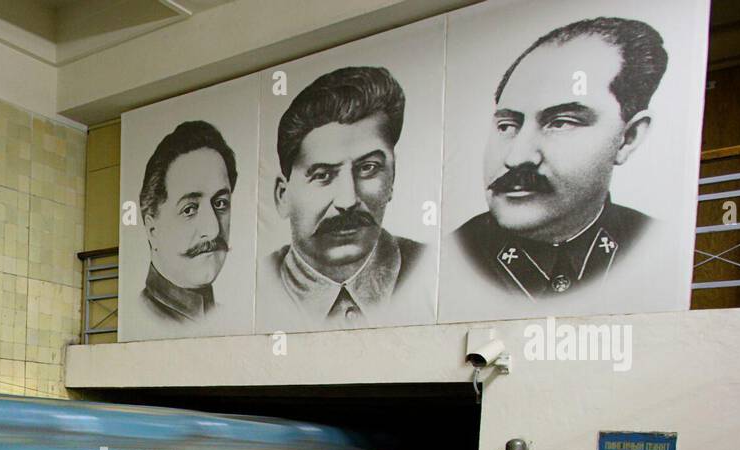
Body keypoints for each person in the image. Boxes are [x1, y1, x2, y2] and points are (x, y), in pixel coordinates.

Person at [451, 17, 667, 300]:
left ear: (628, 138)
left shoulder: (659, 250)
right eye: (507, 126)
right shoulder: (449, 259)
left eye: (561, 122)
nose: (517, 158)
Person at [262, 66, 426, 328]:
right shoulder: (257, 287)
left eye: (368, 168)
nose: (348, 201)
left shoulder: (431, 270)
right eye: (323, 175)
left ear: (392, 178)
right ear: (283, 196)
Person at [138, 121, 238, 324]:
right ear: (152, 230)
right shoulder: (142, 315)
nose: (213, 229)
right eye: (189, 209)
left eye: (220, 203)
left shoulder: (224, 317)